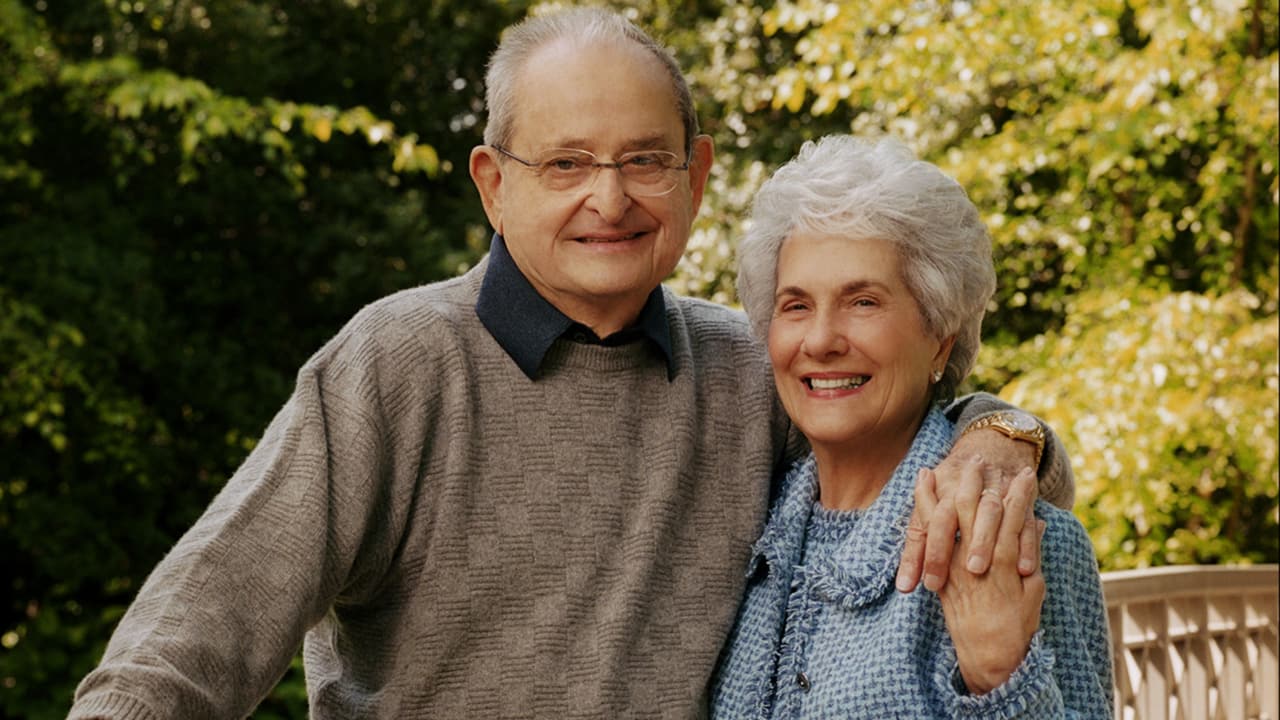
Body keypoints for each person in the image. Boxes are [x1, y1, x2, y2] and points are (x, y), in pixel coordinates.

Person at [69, 9, 1076, 719]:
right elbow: (188, 647)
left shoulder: (747, 371)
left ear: (695, 176)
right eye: (565, 164)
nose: (610, 199)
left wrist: (1005, 435)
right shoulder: (396, 366)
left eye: (643, 159)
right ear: (492, 185)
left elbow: (921, 438)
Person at [709, 135, 1112, 717]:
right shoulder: (747, 523)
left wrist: (1000, 673)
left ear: (940, 342)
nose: (820, 340)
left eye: (863, 301)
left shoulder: (1023, 537)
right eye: (795, 305)